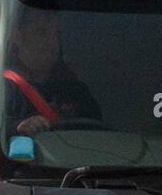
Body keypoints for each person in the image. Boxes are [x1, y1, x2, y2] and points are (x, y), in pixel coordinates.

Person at [5, 7, 101, 135]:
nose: (52, 41)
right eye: (41, 32)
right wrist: (19, 127)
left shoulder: (76, 90)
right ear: (18, 36)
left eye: (56, 34)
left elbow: (99, 134)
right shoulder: (2, 88)